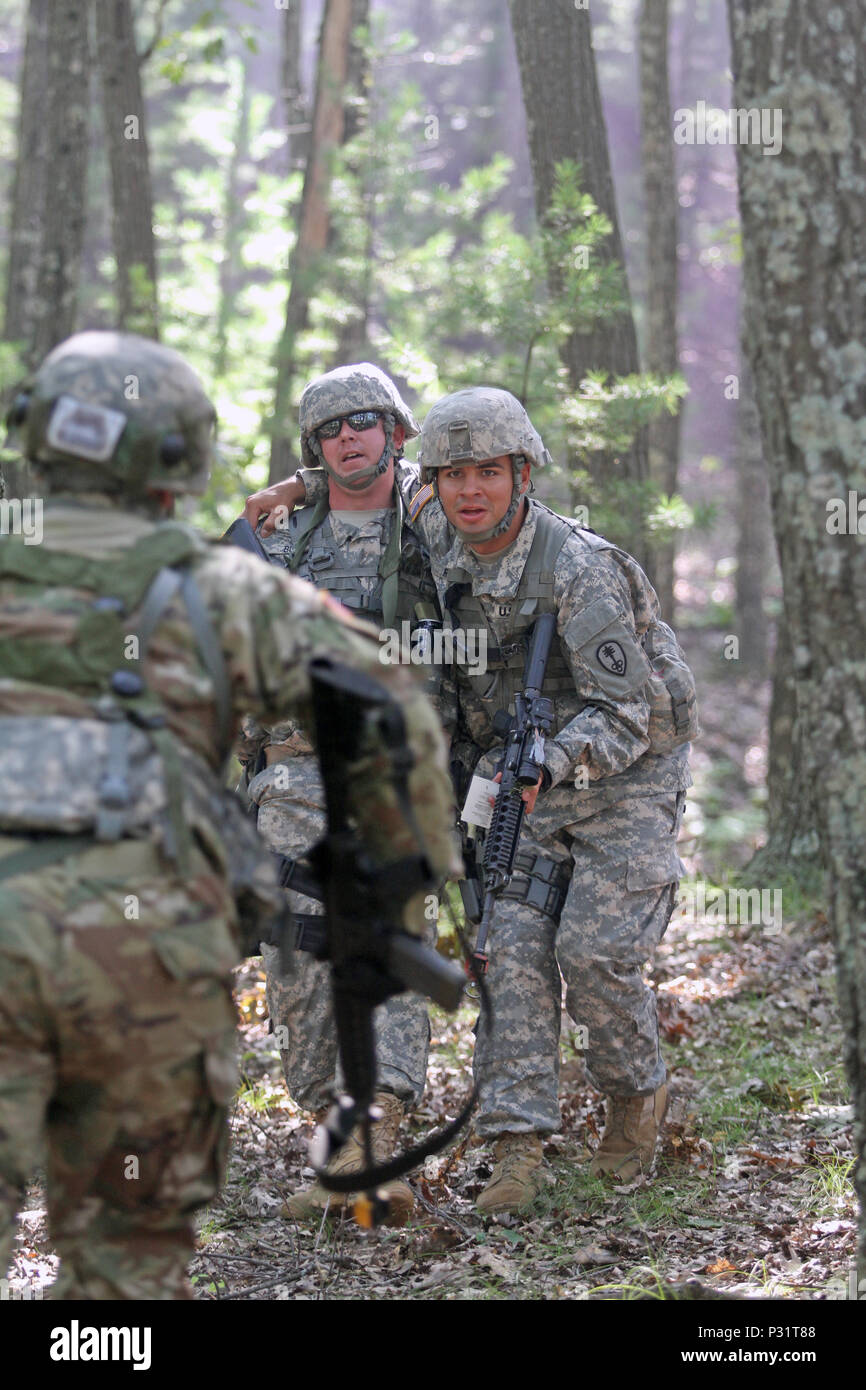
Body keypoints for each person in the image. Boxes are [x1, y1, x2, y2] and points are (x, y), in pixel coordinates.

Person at [0, 332, 458, 1298]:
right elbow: (389, 713)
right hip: (138, 973)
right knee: (122, 1266)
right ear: (177, 462)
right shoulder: (234, 592)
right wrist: (404, 886)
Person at [249, 386, 696, 1214]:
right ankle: (516, 1151)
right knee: (512, 954)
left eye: (489, 472)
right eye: (455, 476)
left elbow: (631, 712)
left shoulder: (579, 566)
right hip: (520, 774)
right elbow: (364, 475)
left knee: (593, 955)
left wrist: (552, 760)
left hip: (623, 771)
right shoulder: (440, 535)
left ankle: (638, 1095)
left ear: (523, 474)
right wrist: (291, 489)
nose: (469, 490)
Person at [241, 363, 443, 1224]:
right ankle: (337, 1122)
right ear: (314, 447)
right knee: (295, 955)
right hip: (290, 775)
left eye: (366, 420)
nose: (350, 436)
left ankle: (378, 1134)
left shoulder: (438, 519)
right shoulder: (278, 533)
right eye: (331, 429)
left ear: (396, 430)